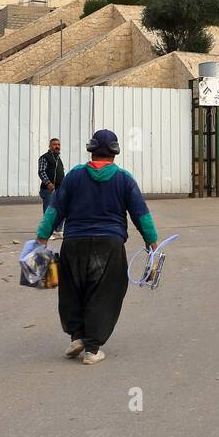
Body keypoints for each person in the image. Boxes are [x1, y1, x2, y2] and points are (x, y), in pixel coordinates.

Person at [35, 129, 158, 365]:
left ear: (91, 150)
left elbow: (55, 208)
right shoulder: (124, 179)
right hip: (109, 244)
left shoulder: (74, 176)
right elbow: (140, 213)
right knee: (105, 293)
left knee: (72, 290)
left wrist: (42, 237)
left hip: (74, 243)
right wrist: (151, 241)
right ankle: (92, 348)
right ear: (115, 153)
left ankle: (76, 336)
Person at [37, 138, 64, 215]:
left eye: (58, 144)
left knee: (60, 212)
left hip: (59, 190)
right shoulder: (45, 157)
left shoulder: (58, 158)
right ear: (49, 146)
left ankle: (58, 227)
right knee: (48, 213)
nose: (57, 146)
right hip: (49, 191)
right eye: (54, 144)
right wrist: (48, 183)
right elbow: (41, 171)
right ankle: (47, 227)